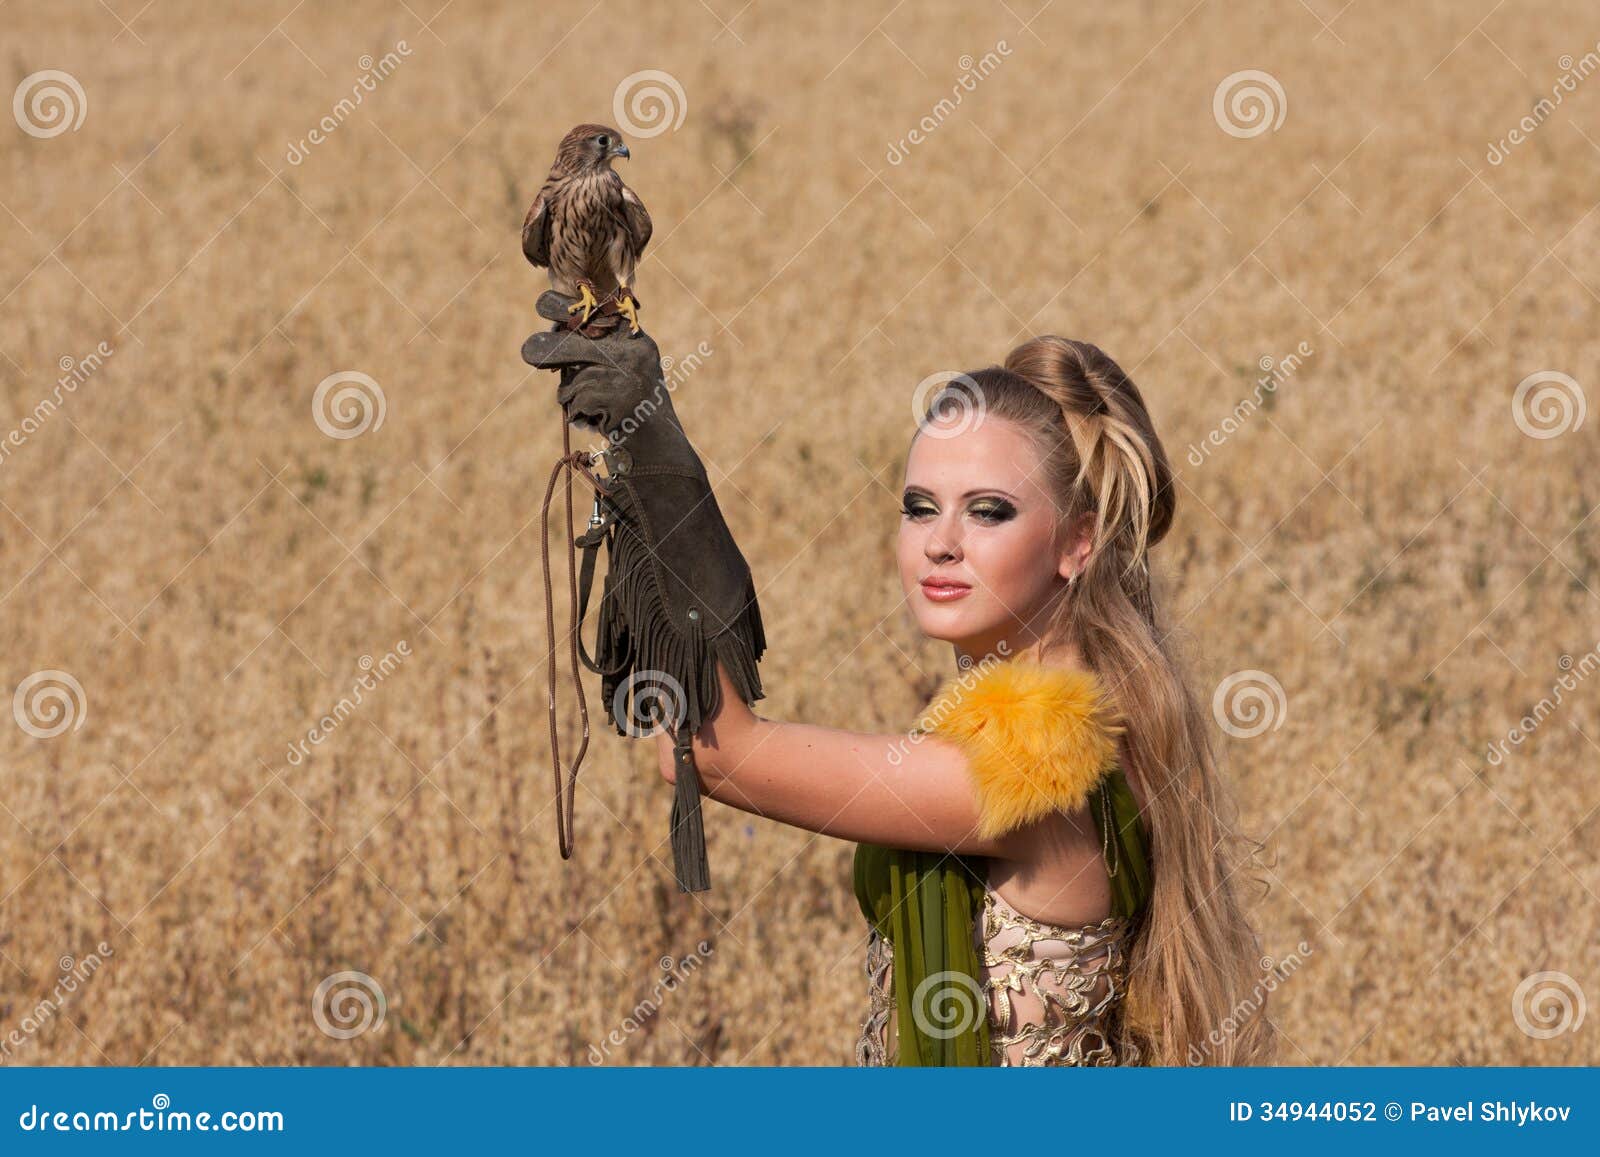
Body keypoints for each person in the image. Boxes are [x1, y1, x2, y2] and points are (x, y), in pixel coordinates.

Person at [526, 306, 1274, 1066]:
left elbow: (714, 751)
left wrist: (658, 463)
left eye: (989, 511)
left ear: (1078, 540)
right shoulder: (1082, 711)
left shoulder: (1037, 762)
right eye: (920, 507)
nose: (940, 542)